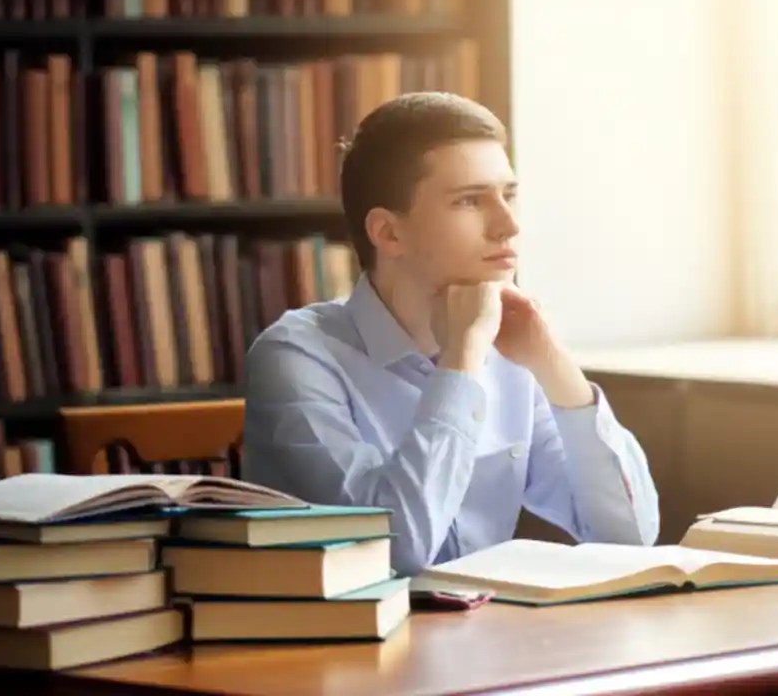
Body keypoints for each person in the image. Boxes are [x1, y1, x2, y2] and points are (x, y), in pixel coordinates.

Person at [242, 92, 659, 576]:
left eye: (509, 194)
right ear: (389, 234)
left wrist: (556, 368)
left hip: (483, 640)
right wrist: (460, 363)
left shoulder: (512, 351)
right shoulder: (295, 356)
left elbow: (628, 537)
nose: (508, 225)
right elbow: (392, 554)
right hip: (345, 644)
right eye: (469, 200)